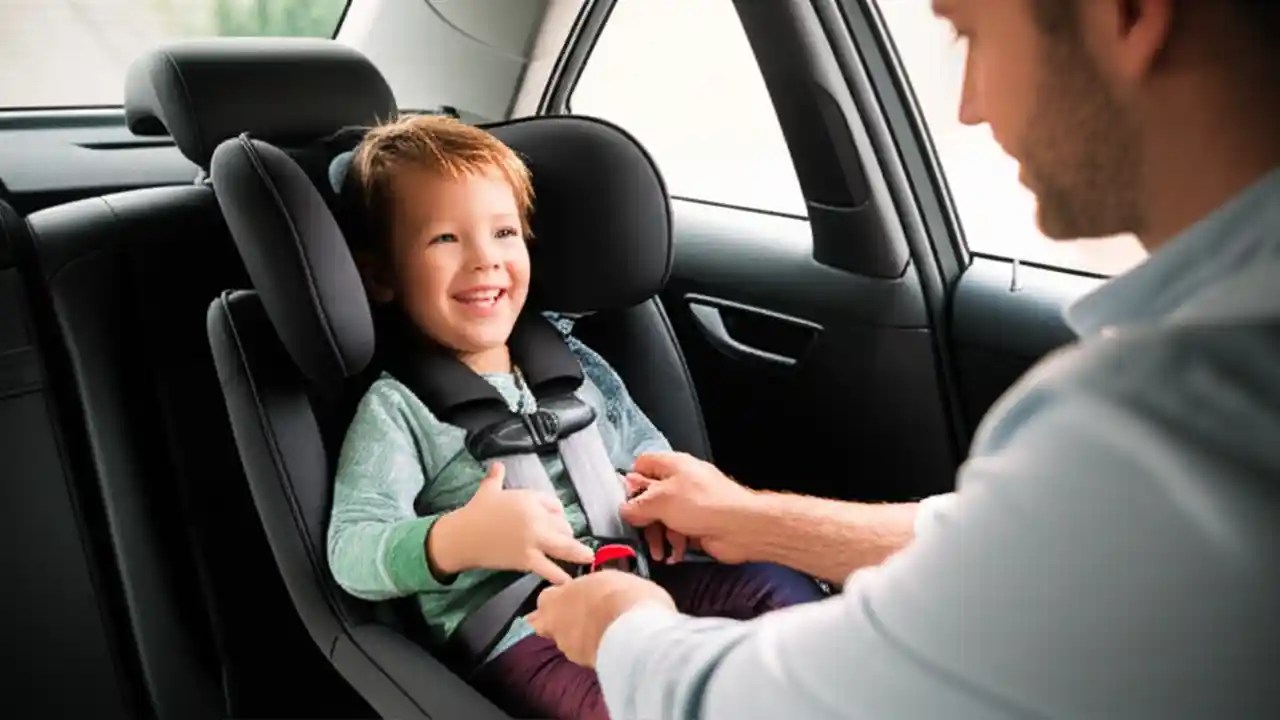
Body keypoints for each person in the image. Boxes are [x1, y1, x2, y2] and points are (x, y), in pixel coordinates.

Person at [526, 0, 1280, 717]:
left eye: (972, 36)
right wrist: (750, 519)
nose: (970, 106)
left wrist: (624, 627)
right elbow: (1011, 553)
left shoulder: (1172, 421)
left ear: (1126, 13)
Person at [322, 114, 825, 720]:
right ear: (381, 275)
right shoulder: (397, 407)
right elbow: (353, 547)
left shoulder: (574, 362)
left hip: (644, 579)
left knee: (794, 607)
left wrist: (659, 493)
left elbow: (644, 445)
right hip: (526, 629)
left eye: (504, 232)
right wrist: (454, 539)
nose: (485, 259)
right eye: (444, 239)